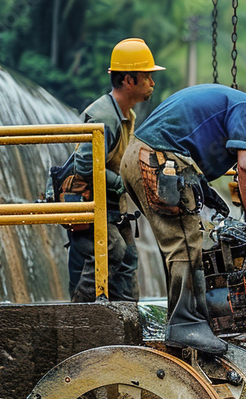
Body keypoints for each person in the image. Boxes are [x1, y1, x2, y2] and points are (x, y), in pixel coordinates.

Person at [119, 84, 246, 355]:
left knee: (177, 240)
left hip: (140, 158)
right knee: (185, 241)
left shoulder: (234, 107)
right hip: (157, 159)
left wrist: (204, 189)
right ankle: (185, 325)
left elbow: (187, 140)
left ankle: (190, 320)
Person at [68, 38, 164, 302]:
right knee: (113, 249)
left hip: (111, 207)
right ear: (129, 81)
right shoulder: (104, 117)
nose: (152, 84)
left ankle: (128, 317)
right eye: (147, 77)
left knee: (129, 257)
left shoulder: (125, 114)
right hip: (91, 205)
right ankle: (81, 315)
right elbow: (84, 166)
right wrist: (123, 183)